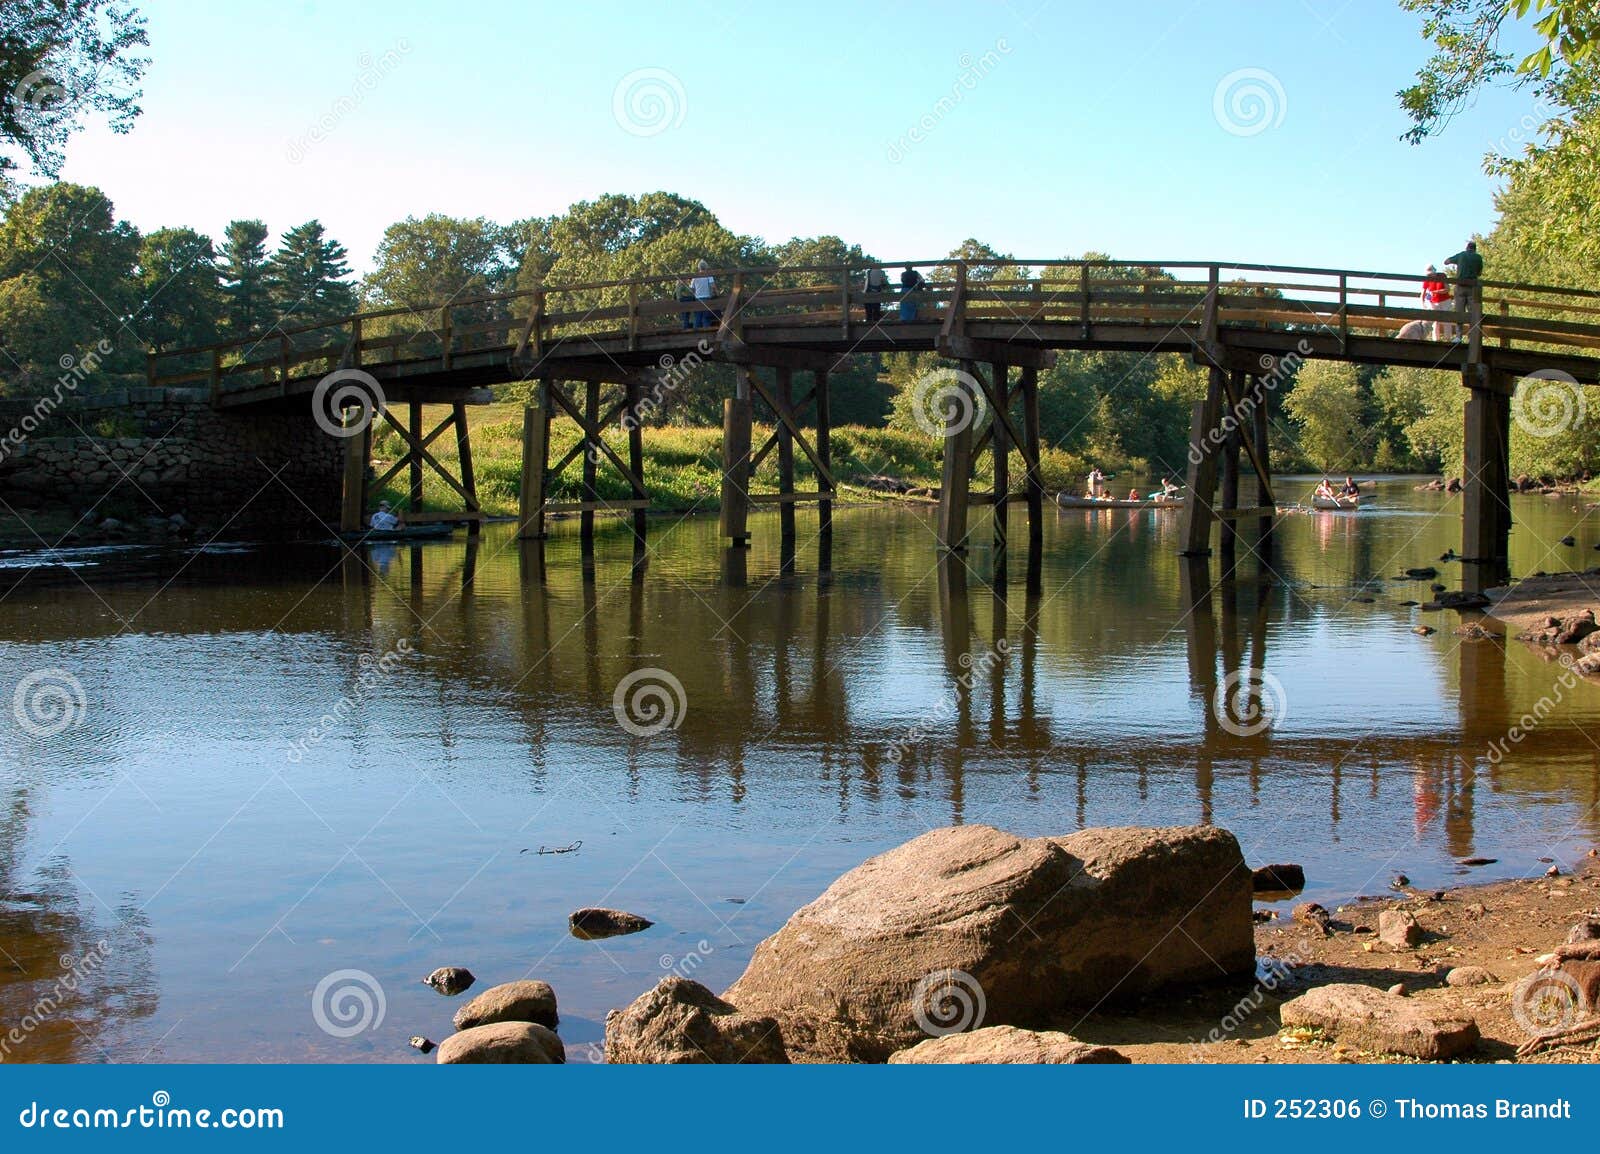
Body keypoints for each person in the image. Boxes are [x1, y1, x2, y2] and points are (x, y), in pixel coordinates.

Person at [1443, 241, 1483, 343]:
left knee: (1459, 311)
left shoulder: (1461, 255)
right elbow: (1479, 273)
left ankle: (1458, 337)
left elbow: (1446, 261)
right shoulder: (1478, 257)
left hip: (1460, 286)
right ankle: (1472, 337)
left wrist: (1457, 262)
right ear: (1475, 249)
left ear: (1467, 248)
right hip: (1472, 288)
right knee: (1472, 312)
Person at [1421, 264, 1454, 341]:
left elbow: (1447, 289)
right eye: (1429, 274)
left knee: (1447, 320)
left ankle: (1448, 339)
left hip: (1445, 301)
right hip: (1433, 302)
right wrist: (1423, 305)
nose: (1431, 275)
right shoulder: (1426, 279)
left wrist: (1436, 292)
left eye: (1432, 273)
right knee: (1435, 321)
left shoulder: (1442, 276)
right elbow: (1423, 293)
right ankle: (1436, 340)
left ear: (1434, 271)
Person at [691, 260, 717, 330]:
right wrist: (716, 293)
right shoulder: (708, 276)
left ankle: (696, 334)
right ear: (706, 267)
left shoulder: (695, 276)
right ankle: (706, 332)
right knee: (706, 317)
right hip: (707, 298)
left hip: (697, 299)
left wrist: (695, 294)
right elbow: (713, 286)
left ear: (699, 267)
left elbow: (692, 288)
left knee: (698, 318)